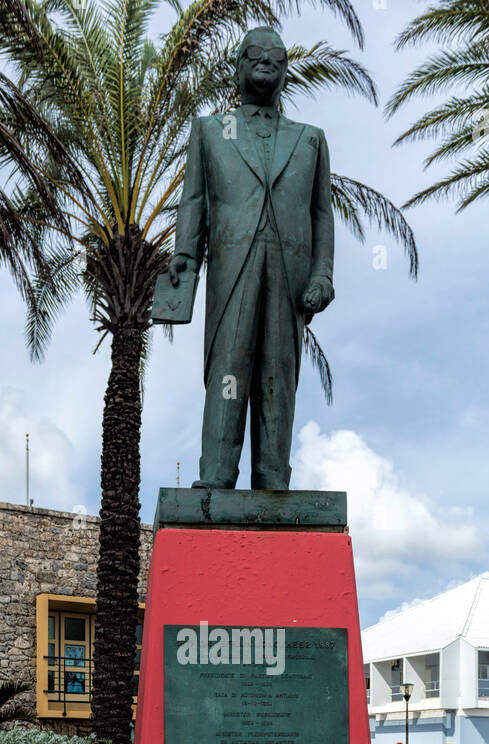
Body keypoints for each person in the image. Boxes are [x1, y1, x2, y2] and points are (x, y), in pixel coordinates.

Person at [167, 26, 335, 488]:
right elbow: (194, 200)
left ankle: (273, 478)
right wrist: (185, 253)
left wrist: (322, 274)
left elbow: (322, 214)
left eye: (276, 56)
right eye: (255, 53)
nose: (265, 60)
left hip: (290, 272)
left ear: (286, 71)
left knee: (279, 374)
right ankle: (216, 475)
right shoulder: (209, 130)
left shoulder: (310, 139)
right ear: (238, 65)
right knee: (229, 367)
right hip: (232, 266)